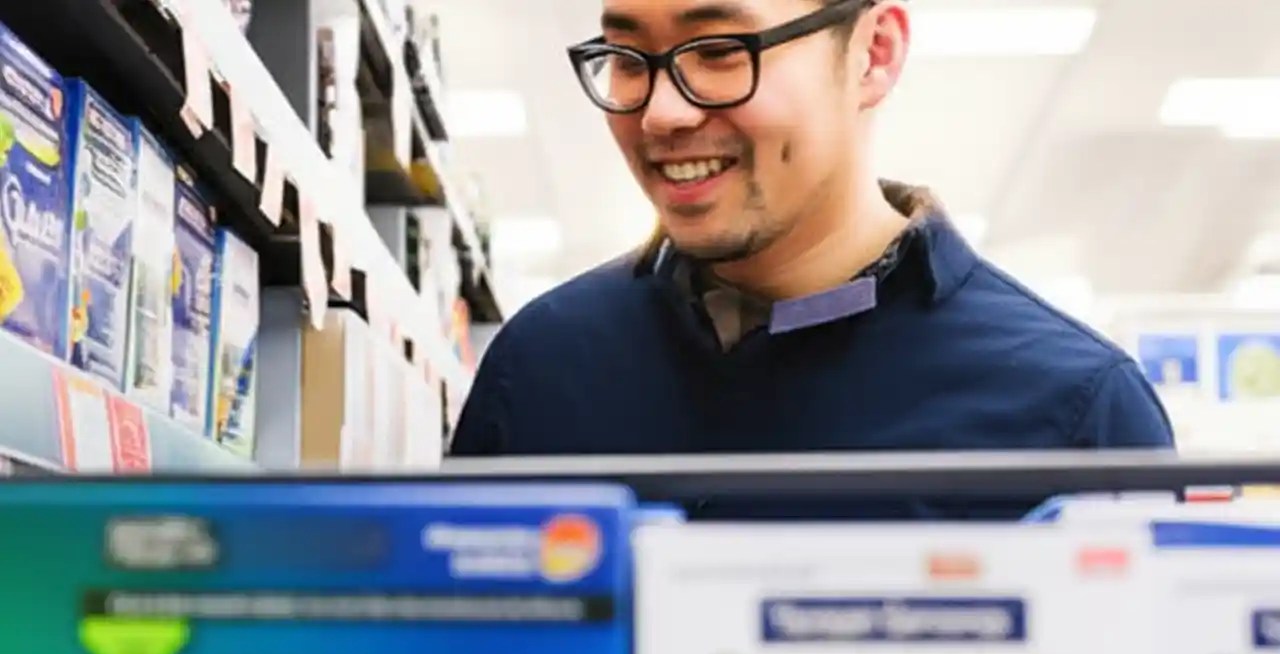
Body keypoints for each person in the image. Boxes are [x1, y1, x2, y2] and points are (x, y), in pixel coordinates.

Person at [451, 0, 1174, 456]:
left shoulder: (1076, 413)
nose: (662, 114)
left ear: (873, 54)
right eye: (629, 60)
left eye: (720, 51)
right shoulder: (541, 368)